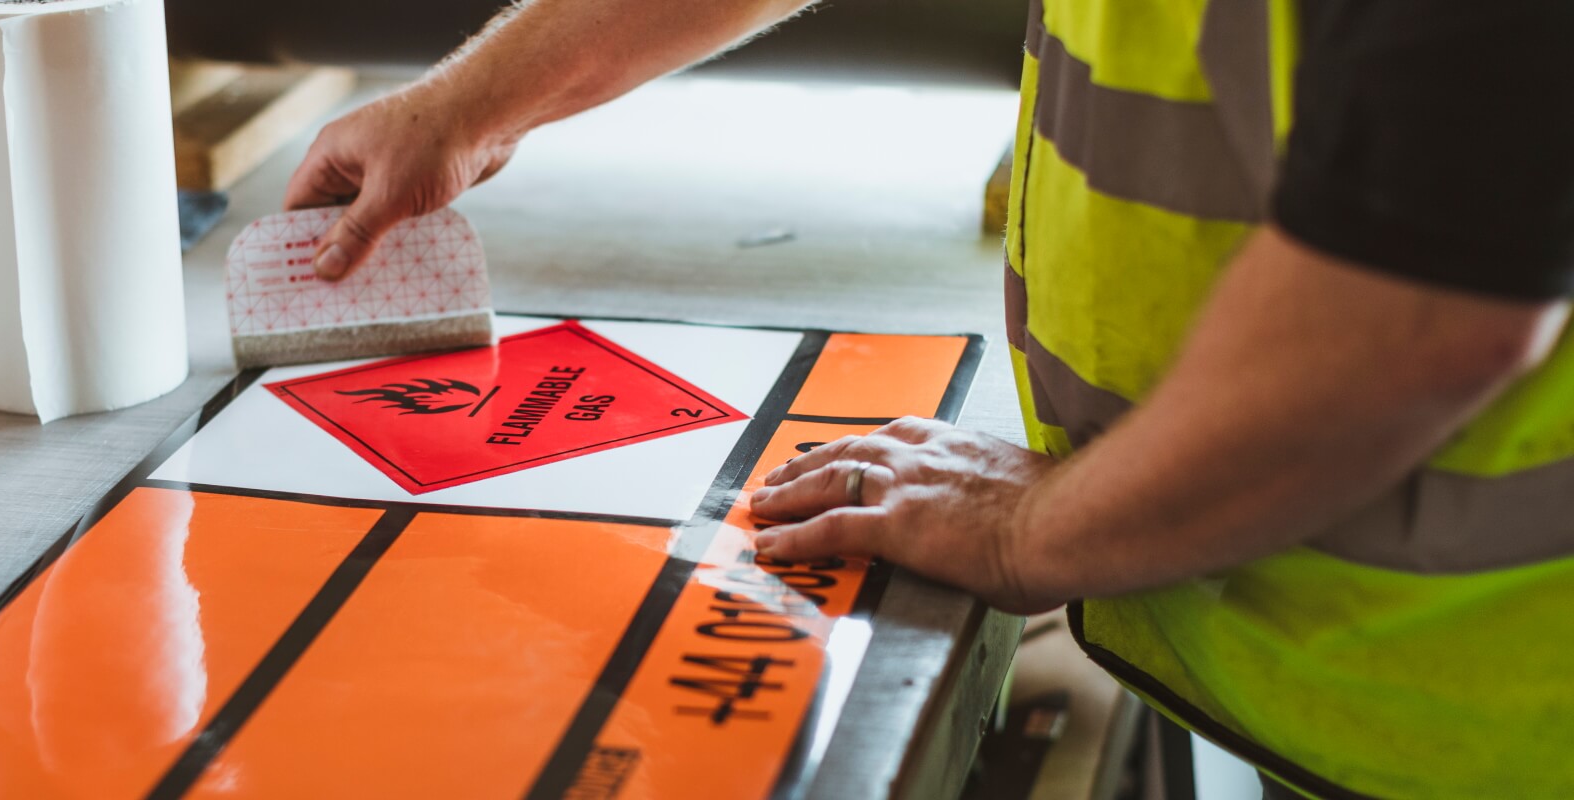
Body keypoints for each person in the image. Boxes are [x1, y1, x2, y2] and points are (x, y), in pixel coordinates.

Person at [283, 0, 1574, 796]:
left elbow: (1421, 311)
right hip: (1265, 621)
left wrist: (1033, 531)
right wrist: (473, 103)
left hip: (1491, 711)